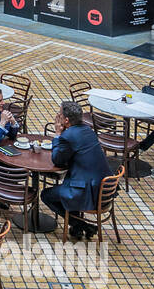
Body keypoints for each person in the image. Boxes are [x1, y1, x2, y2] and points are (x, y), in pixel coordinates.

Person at [42, 100, 112, 239]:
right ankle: (78, 227)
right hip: (104, 187)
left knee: (46, 195)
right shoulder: (88, 130)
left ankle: (81, 225)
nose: (58, 116)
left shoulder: (67, 137)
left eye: (60, 114)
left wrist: (57, 134)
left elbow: (57, 159)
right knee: (65, 187)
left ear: (66, 120)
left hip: (87, 191)